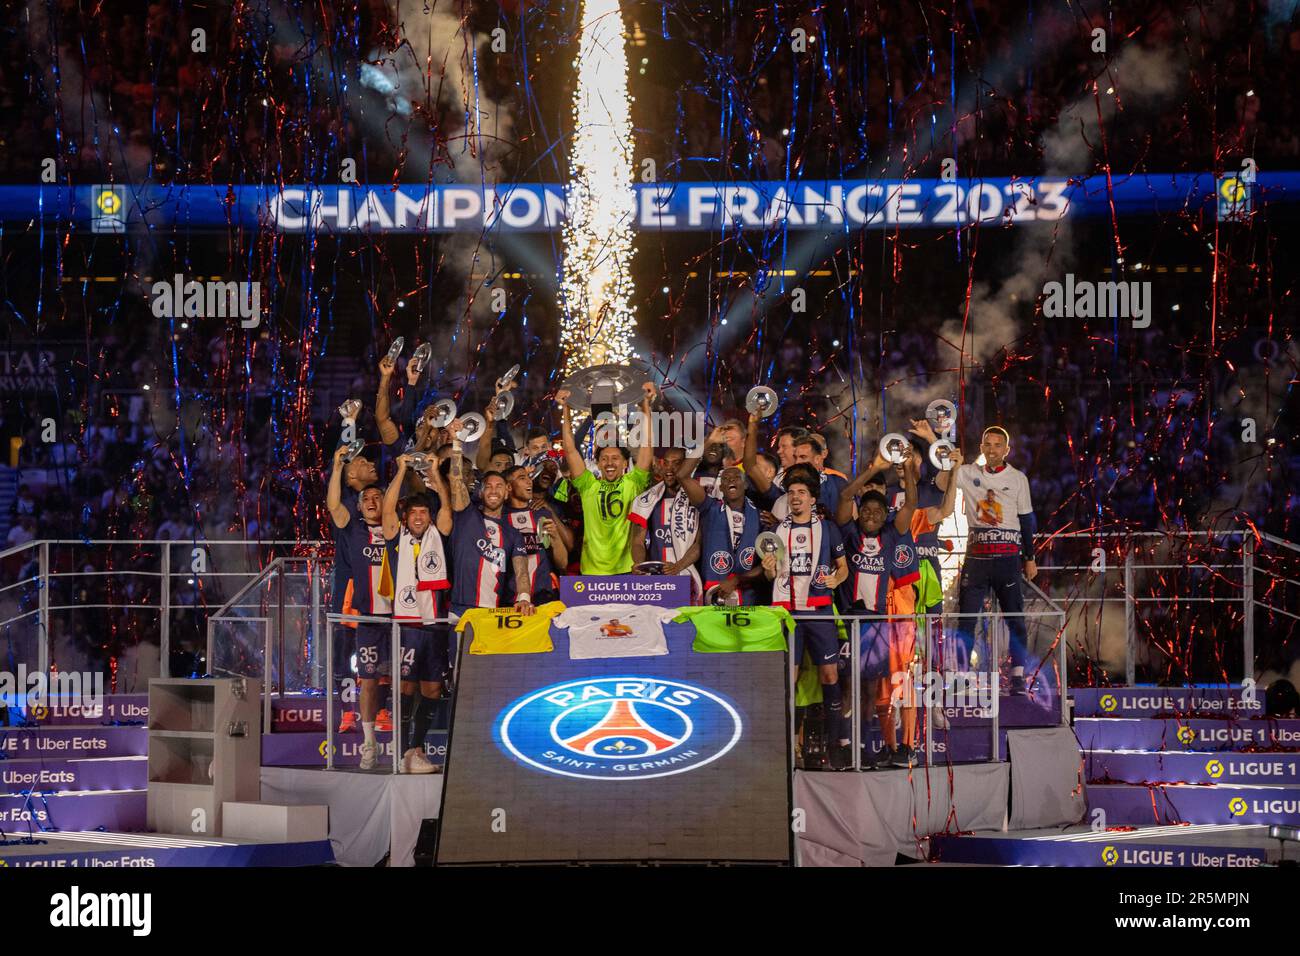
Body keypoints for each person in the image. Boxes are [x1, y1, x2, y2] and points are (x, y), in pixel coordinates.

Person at [760, 472, 849, 768]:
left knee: (830, 676)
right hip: (788, 614)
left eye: (801, 492)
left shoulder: (827, 529)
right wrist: (769, 569)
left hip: (820, 612)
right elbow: (772, 576)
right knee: (789, 679)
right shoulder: (776, 533)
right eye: (792, 493)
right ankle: (784, 745)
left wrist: (836, 581)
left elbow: (843, 568)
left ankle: (837, 742)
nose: (796, 497)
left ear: (812, 499)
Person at [952, 426, 1038, 695]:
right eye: (987, 444)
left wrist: (1030, 557)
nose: (991, 449)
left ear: (1006, 450)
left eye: (997, 445)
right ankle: (962, 675)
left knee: (1015, 619)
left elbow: (1026, 520)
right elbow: (943, 481)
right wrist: (947, 457)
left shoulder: (1017, 478)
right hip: (976, 559)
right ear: (981, 447)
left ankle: (1017, 677)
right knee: (966, 619)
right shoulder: (967, 472)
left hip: (1007, 559)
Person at [380, 456, 451, 773]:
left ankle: (415, 750)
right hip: (406, 624)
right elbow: (387, 510)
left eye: (424, 512)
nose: (419, 517)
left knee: (432, 689)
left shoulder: (438, 534)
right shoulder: (398, 538)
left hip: (434, 624)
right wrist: (401, 470)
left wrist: (435, 472)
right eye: (414, 513)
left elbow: (447, 513)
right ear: (405, 518)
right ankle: (401, 747)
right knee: (405, 688)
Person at [326, 445, 392, 771]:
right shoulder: (353, 528)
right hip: (366, 615)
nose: (371, 501)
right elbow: (334, 505)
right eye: (366, 498)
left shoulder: (397, 530)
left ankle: (400, 731)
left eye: (378, 497)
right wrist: (337, 466)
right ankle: (368, 744)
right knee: (365, 676)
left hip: (398, 616)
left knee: (396, 677)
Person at [555, 382, 656, 574]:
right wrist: (566, 409)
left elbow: (647, 443)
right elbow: (569, 449)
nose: (610, 463)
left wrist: (645, 408)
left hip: (627, 569)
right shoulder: (587, 485)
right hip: (592, 571)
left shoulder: (634, 482)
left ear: (625, 463)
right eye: (604, 459)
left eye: (615, 458)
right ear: (598, 464)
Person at [442, 423, 535, 617]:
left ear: (507, 491)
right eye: (489, 486)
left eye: (499, 486)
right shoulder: (466, 514)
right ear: (482, 491)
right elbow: (456, 479)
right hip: (460, 610)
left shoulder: (513, 534)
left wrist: (524, 597)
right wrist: (457, 442)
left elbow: (521, 570)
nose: (494, 491)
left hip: (492, 614)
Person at [679, 457, 763, 604]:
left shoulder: (760, 516)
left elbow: (767, 564)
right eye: (726, 479)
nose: (731, 480)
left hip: (748, 595)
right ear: (721, 488)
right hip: (715, 592)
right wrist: (707, 442)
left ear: (746, 485)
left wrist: (737, 579)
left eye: (736, 477)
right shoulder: (709, 508)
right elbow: (682, 476)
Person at [629, 447, 701, 593]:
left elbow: (700, 543)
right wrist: (639, 564)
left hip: (689, 577)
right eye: (666, 463)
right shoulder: (647, 499)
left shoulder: (699, 497)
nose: (670, 469)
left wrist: (678, 566)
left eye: (676, 463)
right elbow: (637, 541)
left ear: (685, 466)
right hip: (656, 579)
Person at [502, 463, 569, 604]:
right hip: (509, 597)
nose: (529, 481)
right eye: (522, 478)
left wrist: (555, 537)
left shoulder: (541, 515)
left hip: (543, 595)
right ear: (508, 487)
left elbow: (562, 563)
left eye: (528, 477)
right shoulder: (500, 518)